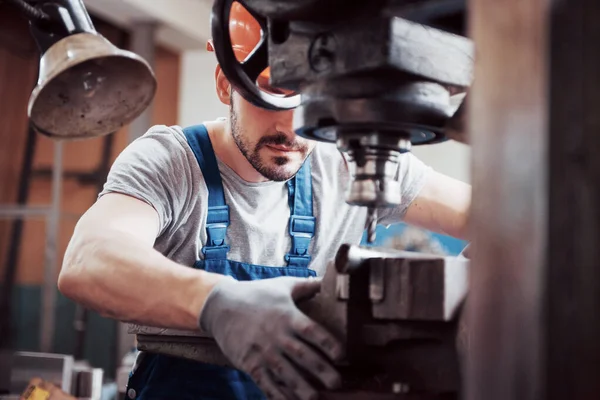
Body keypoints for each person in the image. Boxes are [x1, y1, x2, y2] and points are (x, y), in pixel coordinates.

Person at [57, 3, 471, 400]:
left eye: (310, 98)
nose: (291, 126)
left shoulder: (351, 161)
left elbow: (502, 221)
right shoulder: (171, 161)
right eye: (271, 94)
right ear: (225, 84)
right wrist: (215, 303)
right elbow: (87, 261)